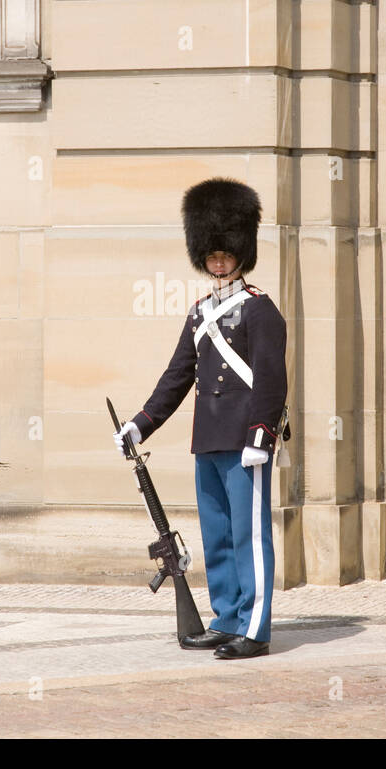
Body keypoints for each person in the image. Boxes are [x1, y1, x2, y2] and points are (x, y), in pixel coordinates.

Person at [113, 177, 287, 659]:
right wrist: (140, 423)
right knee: (218, 536)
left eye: (225, 254)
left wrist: (262, 436)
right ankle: (227, 617)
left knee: (249, 536)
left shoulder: (259, 311)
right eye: (210, 255)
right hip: (208, 440)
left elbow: (272, 381)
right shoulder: (198, 314)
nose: (218, 261)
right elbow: (177, 376)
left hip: (245, 441)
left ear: (240, 253)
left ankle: (255, 627)